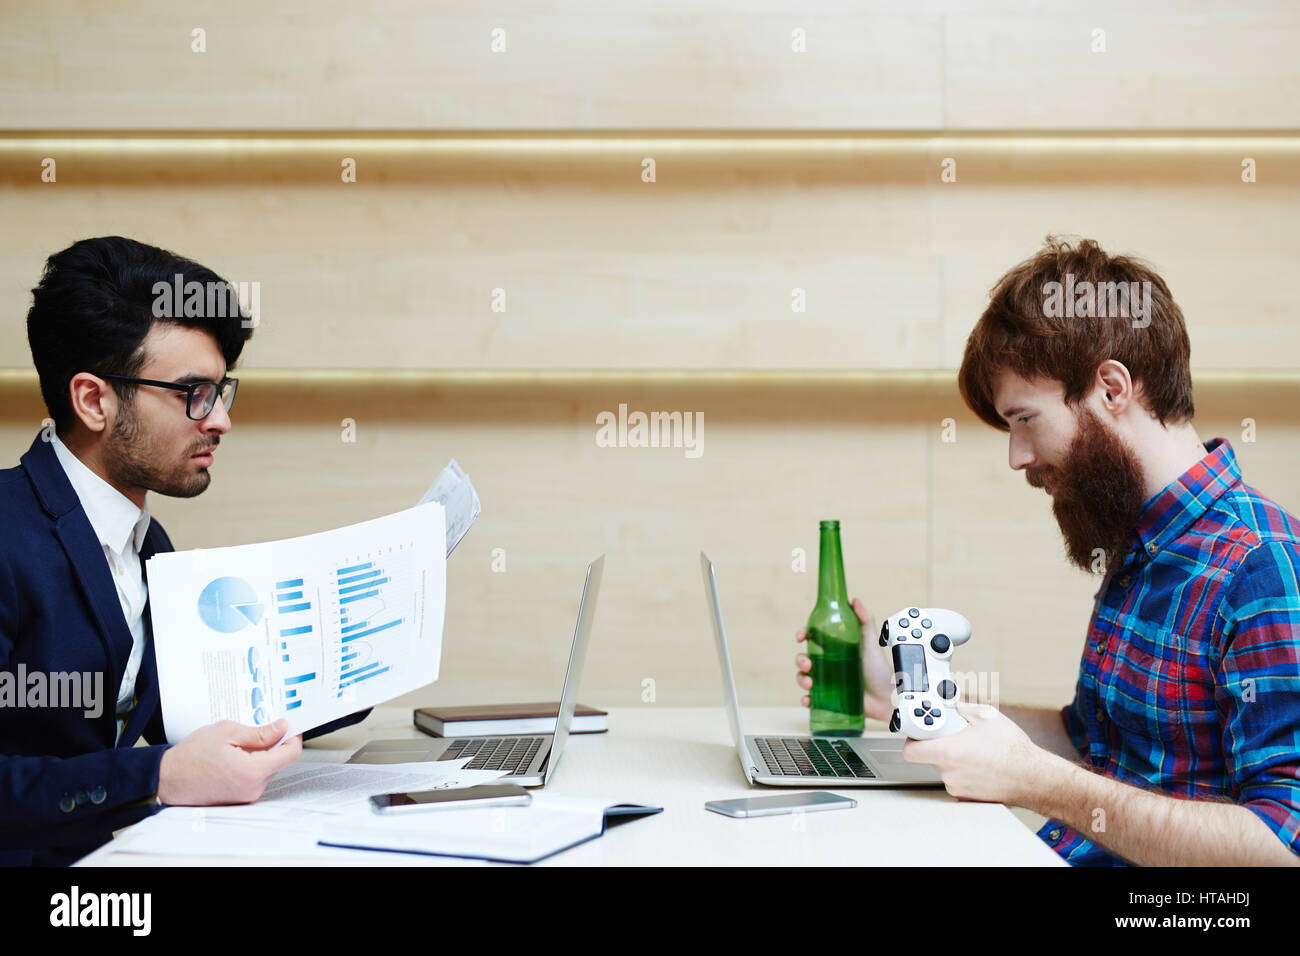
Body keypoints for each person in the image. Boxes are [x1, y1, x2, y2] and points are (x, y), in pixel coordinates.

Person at [796, 236, 1300, 866]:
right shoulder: (1147, 543)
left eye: (1025, 420)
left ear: (1111, 388)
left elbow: (1280, 849)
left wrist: (1032, 781)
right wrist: (899, 690)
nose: (1018, 457)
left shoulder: (1261, 567)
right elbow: (1092, 743)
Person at [0, 236, 367, 866]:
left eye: (223, 391)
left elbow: (193, 714)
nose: (220, 419)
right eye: (193, 392)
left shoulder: (147, 545)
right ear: (94, 401)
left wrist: (358, 656)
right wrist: (156, 778)